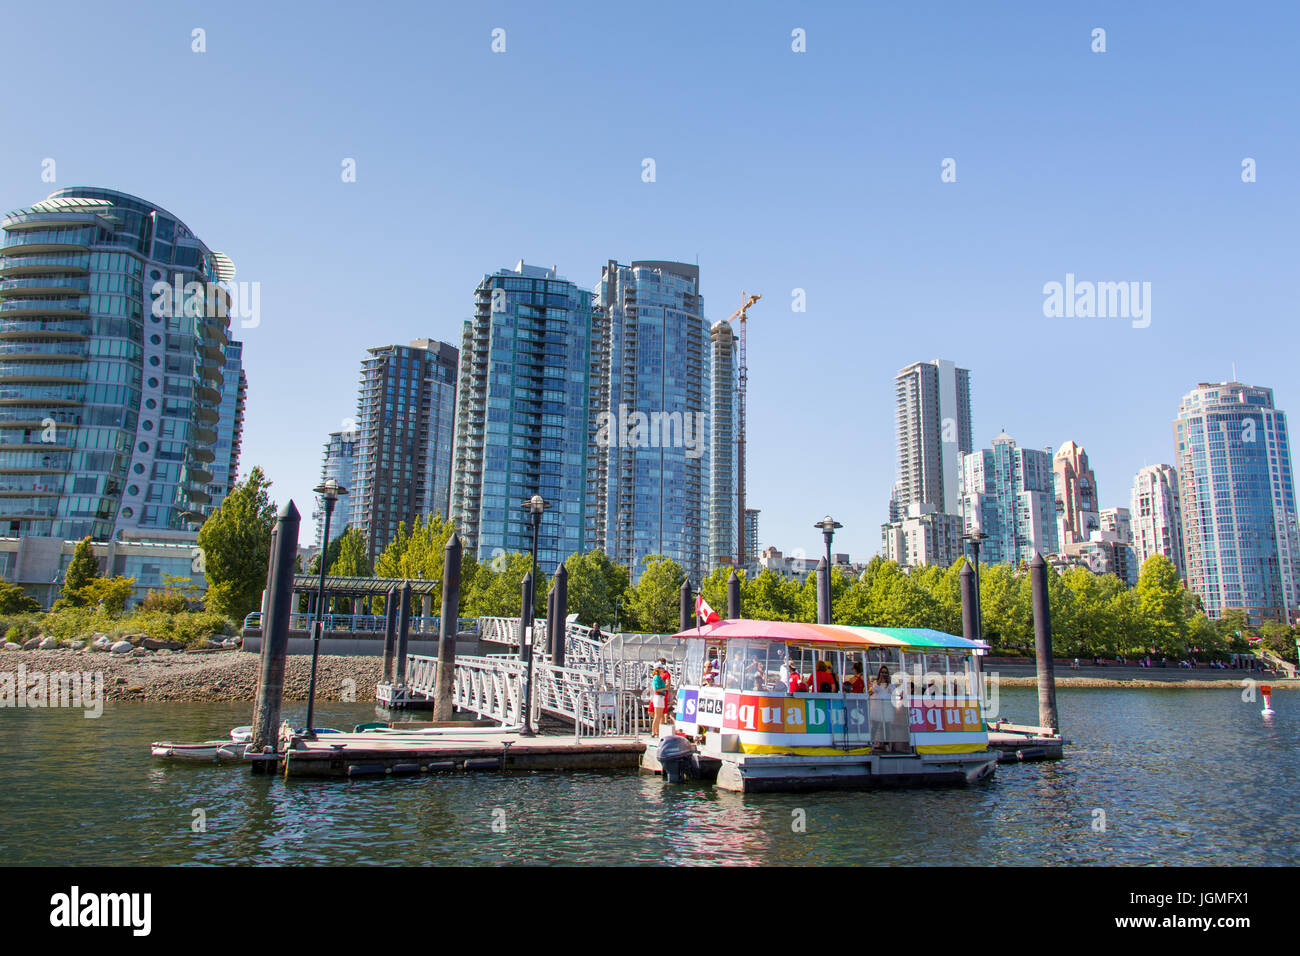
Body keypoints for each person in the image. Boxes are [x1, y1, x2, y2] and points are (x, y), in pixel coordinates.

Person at [650, 661, 670, 737]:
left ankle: (656, 731)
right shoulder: (656, 678)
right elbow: (656, 689)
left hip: (661, 696)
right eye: (661, 668)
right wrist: (665, 687)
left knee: (659, 715)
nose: (662, 669)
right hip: (658, 696)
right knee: (657, 715)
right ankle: (654, 731)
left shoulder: (658, 677)